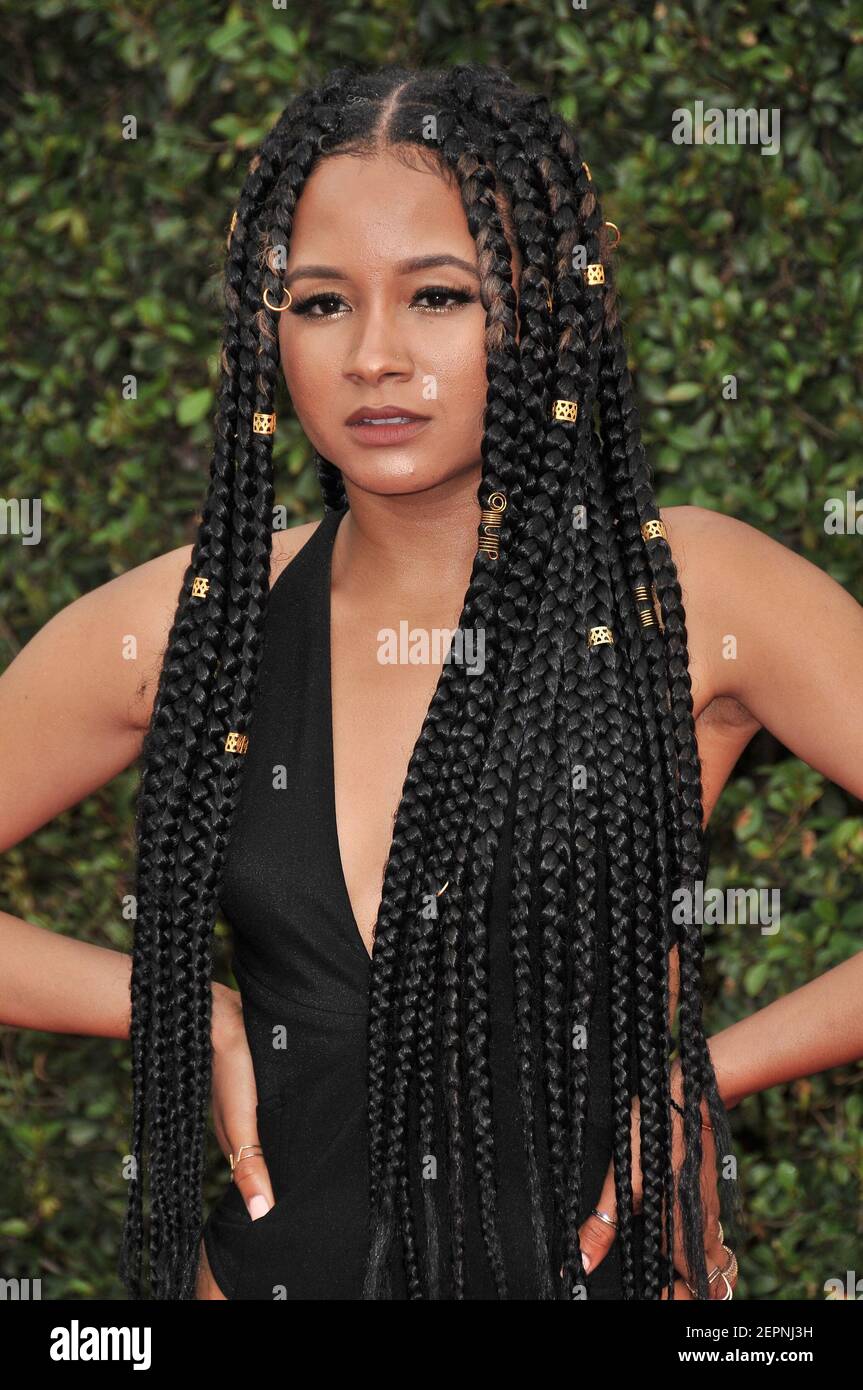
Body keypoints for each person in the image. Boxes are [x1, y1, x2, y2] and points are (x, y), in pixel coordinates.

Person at [2, 63, 862, 1302]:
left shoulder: (693, 596)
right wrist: (184, 1006)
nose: (374, 356)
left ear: (546, 310)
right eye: (319, 303)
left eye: (440, 296)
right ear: (268, 328)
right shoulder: (186, 624)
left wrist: (704, 1075)